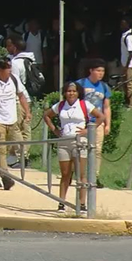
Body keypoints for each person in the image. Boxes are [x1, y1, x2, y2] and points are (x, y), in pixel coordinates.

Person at [44, 81, 103, 215]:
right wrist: (55, 130)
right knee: (65, 174)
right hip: (64, 141)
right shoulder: (60, 106)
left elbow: (100, 116)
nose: (71, 93)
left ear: (78, 93)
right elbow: (46, 115)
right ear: (65, 93)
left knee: (81, 174)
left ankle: (82, 204)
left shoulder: (84, 105)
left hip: (79, 141)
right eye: (69, 91)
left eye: (74, 91)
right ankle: (61, 202)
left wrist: (87, 131)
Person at [0, 58, 30, 190]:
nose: (10, 70)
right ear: (0, 70)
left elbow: (21, 96)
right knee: (0, 150)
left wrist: (27, 112)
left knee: (19, 146)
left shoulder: (14, 80)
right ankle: (6, 177)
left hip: (12, 121)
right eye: (8, 68)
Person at [75, 59, 113, 186]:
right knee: (80, 149)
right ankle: (80, 175)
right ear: (91, 70)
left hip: (97, 122)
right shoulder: (80, 84)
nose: (100, 73)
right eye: (98, 70)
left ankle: (94, 176)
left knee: (96, 150)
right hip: (82, 122)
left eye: (102, 71)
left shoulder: (104, 87)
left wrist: (108, 124)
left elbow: (106, 107)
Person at [6, 36, 36, 162]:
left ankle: (19, 156)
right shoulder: (30, 60)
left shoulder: (15, 63)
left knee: (15, 128)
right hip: (29, 97)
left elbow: (14, 82)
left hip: (19, 98)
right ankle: (22, 154)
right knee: (26, 127)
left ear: (15, 47)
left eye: (9, 46)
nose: (7, 48)